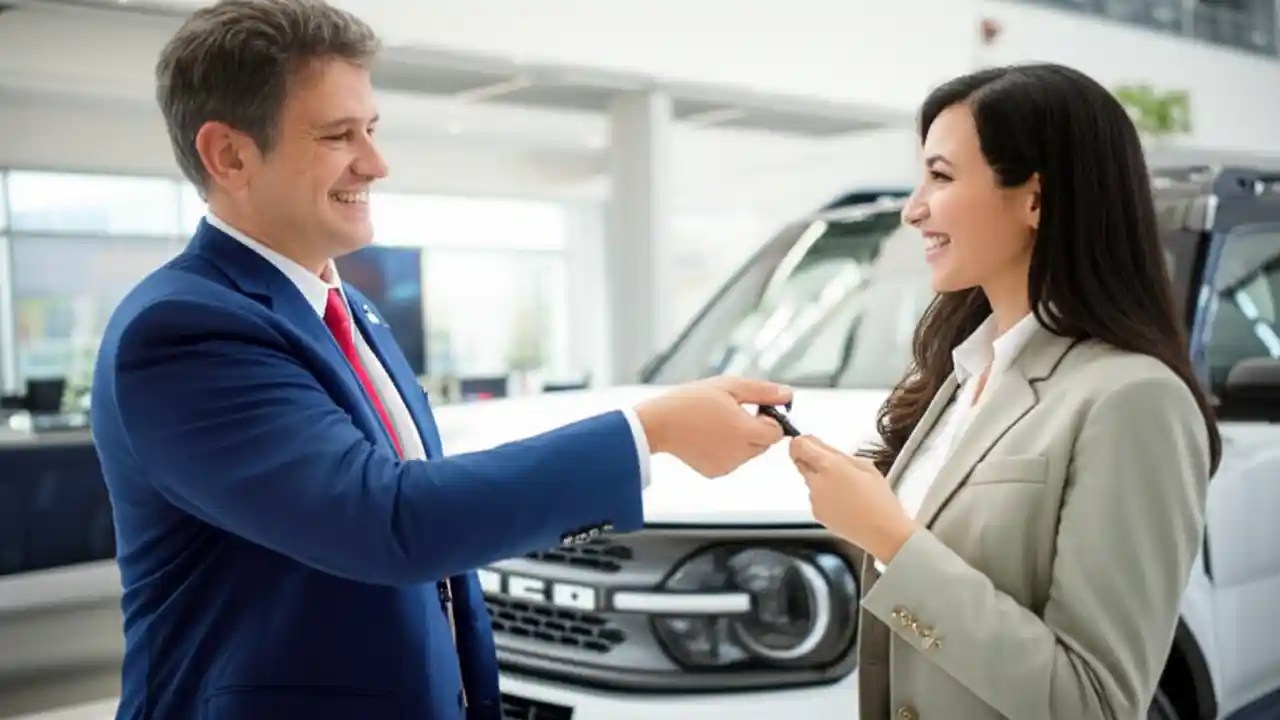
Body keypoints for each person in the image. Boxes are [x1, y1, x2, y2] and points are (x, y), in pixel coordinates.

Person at [88, 2, 792, 719]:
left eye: (371, 129)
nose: (376, 162)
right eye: (338, 135)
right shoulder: (183, 331)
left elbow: (432, 564)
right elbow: (389, 522)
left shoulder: (348, 312)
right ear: (229, 155)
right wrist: (648, 432)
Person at [788, 63, 1219, 720]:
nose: (913, 208)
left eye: (941, 175)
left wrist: (892, 542)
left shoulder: (1134, 401)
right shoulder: (960, 376)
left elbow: (1092, 703)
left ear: (1036, 199)